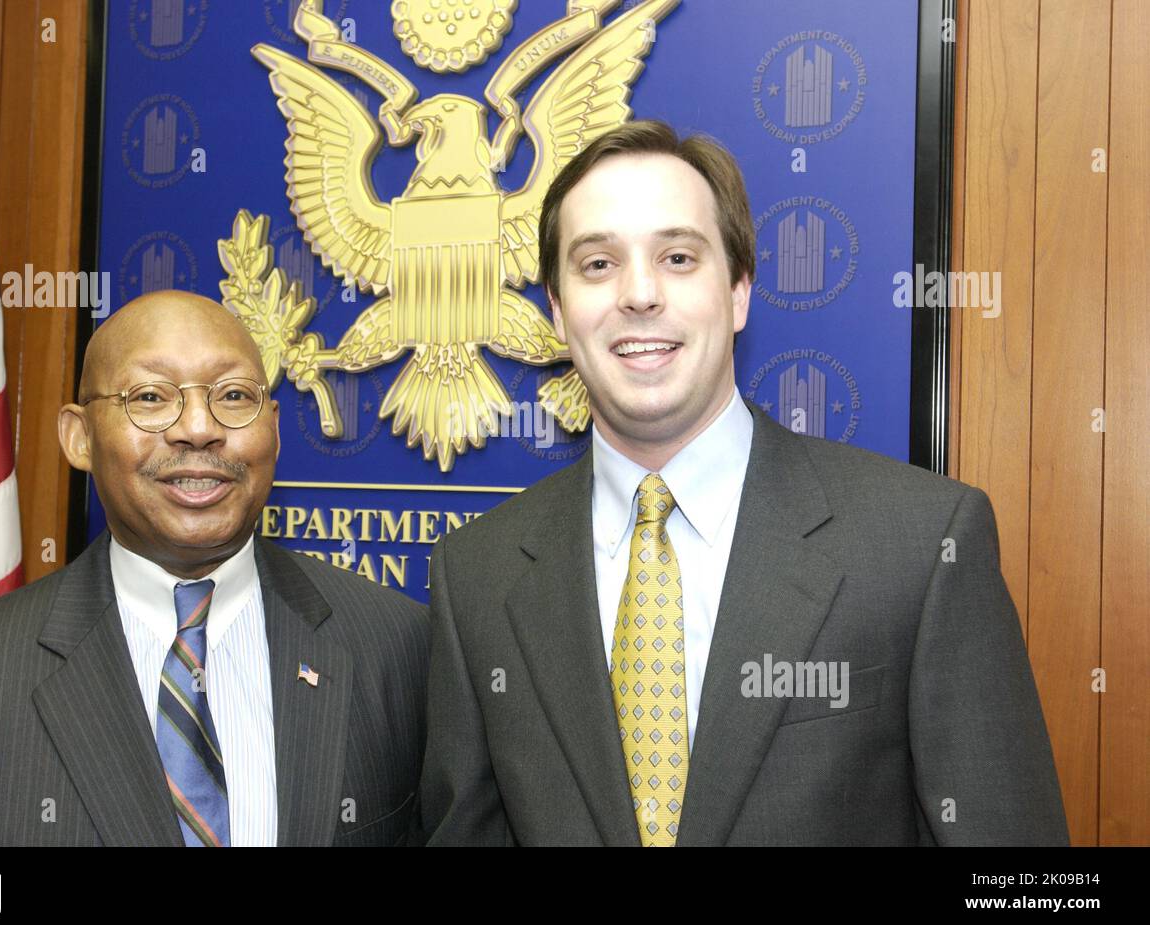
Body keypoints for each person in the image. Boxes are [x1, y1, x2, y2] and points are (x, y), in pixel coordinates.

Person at [418, 120, 1069, 846]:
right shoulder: (475, 577)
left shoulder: (922, 547)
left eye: (677, 256)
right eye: (597, 264)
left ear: (738, 292)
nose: (639, 293)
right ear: (558, 310)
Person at [0, 289, 428, 846]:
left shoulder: (399, 649)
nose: (199, 429)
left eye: (232, 396)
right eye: (150, 397)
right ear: (79, 438)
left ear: (273, 428)